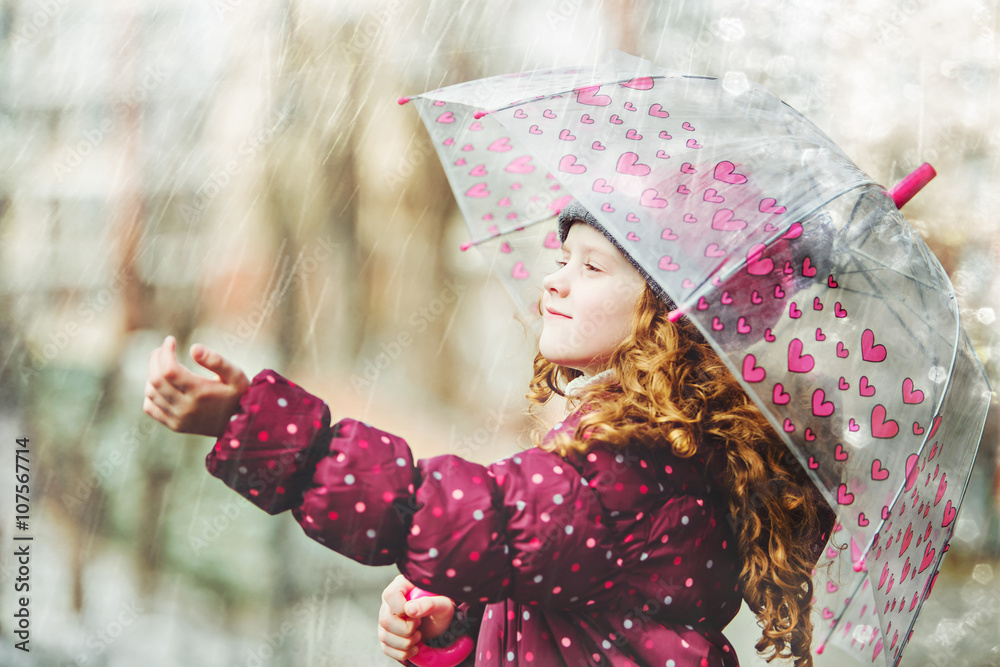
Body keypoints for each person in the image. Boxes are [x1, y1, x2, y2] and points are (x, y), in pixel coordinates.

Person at [144, 202, 836, 667]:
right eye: (561, 259)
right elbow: (579, 632)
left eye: (592, 267)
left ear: (670, 315)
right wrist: (455, 628)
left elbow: (443, 513)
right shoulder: (677, 451)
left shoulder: (627, 467)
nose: (555, 281)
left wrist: (254, 425)